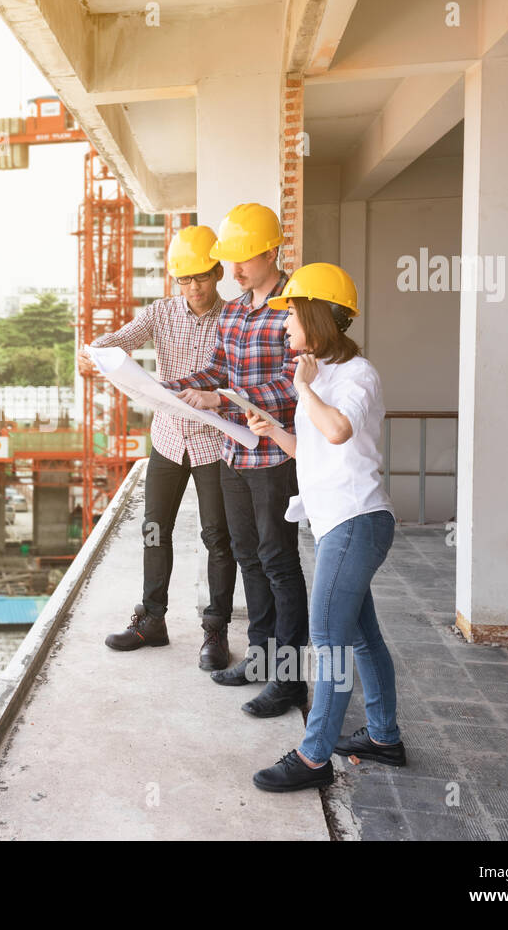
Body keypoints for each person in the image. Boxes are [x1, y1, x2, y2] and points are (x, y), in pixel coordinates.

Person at [239, 263, 402, 792]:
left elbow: (336, 430)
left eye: (291, 315)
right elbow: (313, 450)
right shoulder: (319, 375)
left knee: (329, 640)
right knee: (362, 636)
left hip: (357, 520)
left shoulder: (357, 374)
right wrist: (276, 431)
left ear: (318, 316)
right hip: (338, 522)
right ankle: (383, 738)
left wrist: (304, 391)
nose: (284, 325)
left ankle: (313, 758)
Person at [165, 203, 309, 718]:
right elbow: (216, 369)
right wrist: (172, 389)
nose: (235, 270)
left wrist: (224, 399)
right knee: (249, 556)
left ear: (272, 251)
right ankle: (261, 656)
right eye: (231, 261)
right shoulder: (233, 310)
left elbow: (295, 384)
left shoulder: (296, 307)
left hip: (274, 455)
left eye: (244, 259)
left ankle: (291, 681)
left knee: (279, 561)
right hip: (233, 452)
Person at [89, 224, 238, 671]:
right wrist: (94, 351)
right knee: (155, 531)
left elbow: (239, 379)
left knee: (218, 539)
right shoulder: (160, 313)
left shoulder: (234, 319)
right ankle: (152, 619)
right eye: (185, 280)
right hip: (169, 442)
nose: (194, 288)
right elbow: (119, 340)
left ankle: (216, 629)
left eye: (201, 277)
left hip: (215, 443)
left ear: (218, 273)